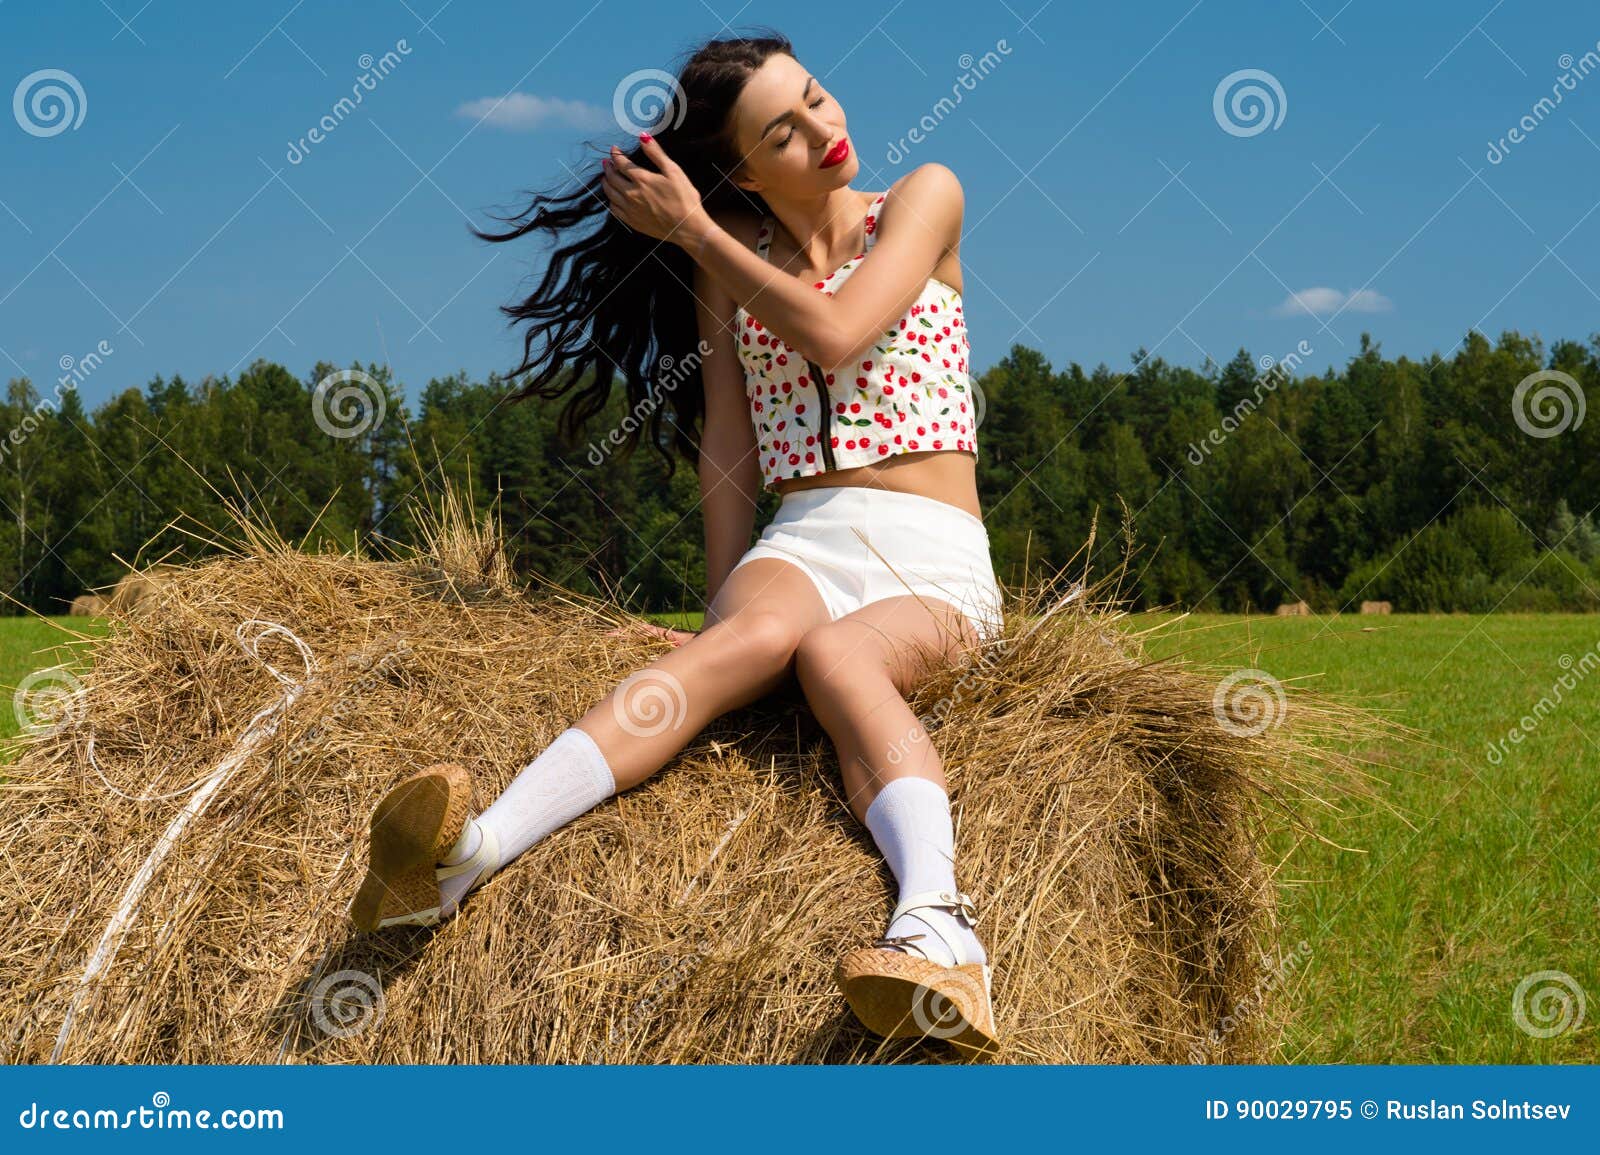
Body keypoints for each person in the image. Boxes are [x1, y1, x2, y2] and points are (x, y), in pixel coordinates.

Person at [347, 31, 1001, 1057]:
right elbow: (728, 444)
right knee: (738, 649)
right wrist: (720, 603)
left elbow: (838, 330)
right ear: (742, 174)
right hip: (803, 537)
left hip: (932, 549)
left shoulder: (921, 199)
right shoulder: (731, 261)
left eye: (815, 98)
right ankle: (464, 862)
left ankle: (940, 925)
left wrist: (697, 230)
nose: (822, 130)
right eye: (781, 133)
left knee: (841, 658)